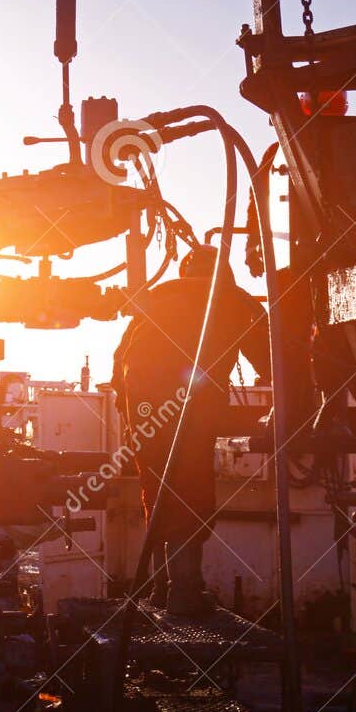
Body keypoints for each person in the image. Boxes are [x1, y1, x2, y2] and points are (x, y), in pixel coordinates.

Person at [110, 246, 268, 616]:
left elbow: (121, 359)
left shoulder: (160, 297)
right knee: (189, 491)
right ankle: (183, 591)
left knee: (158, 490)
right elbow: (271, 355)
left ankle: (164, 588)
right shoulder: (233, 300)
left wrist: (132, 413)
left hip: (142, 403)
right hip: (188, 402)